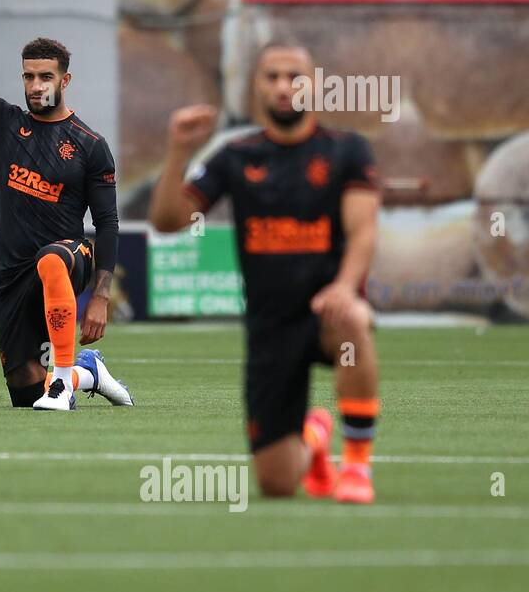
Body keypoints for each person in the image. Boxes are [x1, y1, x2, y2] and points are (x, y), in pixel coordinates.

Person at [148, 42, 381, 503]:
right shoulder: (236, 156)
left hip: (325, 309)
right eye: (272, 76)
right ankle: (315, 438)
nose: (283, 85)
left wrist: (342, 287)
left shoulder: (347, 151)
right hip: (269, 327)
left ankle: (356, 466)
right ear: (257, 87)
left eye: (294, 76)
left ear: (313, 84)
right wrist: (177, 152)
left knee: (352, 320)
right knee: (276, 485)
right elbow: (168, 221)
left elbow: (364, 232)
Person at [0, 0, 133, 411]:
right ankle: (87, 373)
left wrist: (100, 296)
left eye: (46, 76)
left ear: (65, 79)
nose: (36, 84)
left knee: (51, 258)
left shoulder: (89, 145)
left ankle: (63, 386)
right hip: (13, 273)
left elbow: (108, 224)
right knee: (25, 388)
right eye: (29, 76)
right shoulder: (5, 123)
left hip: (68, 258)